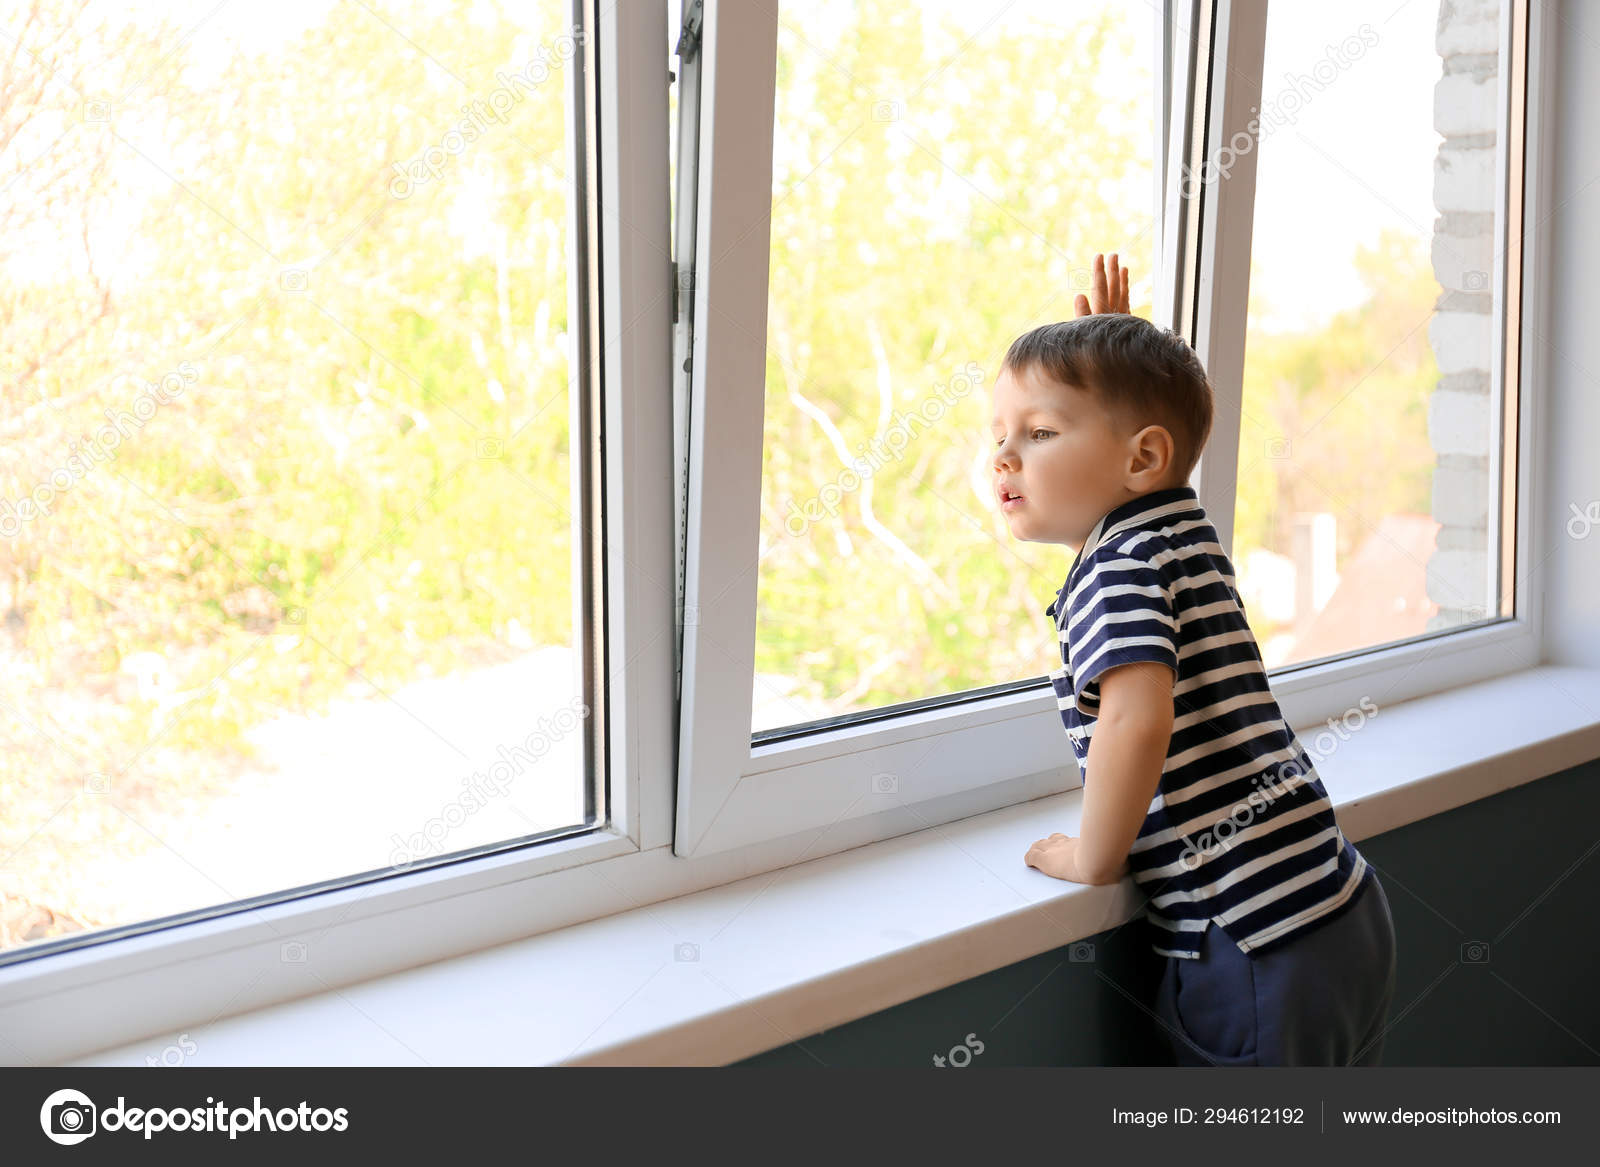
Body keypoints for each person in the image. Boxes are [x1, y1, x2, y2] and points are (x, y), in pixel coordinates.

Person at [1010, 254, 1397, 1066]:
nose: (1005, 456)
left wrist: (1092, 855)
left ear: (1144, 459)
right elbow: (1158, 428)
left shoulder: (1114, 569)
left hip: (1252, 939)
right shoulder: (1180, 532)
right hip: (1333, 900)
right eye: (1001, 436)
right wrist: (1120, 353)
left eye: (1039, 433)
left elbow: (1137, 718)